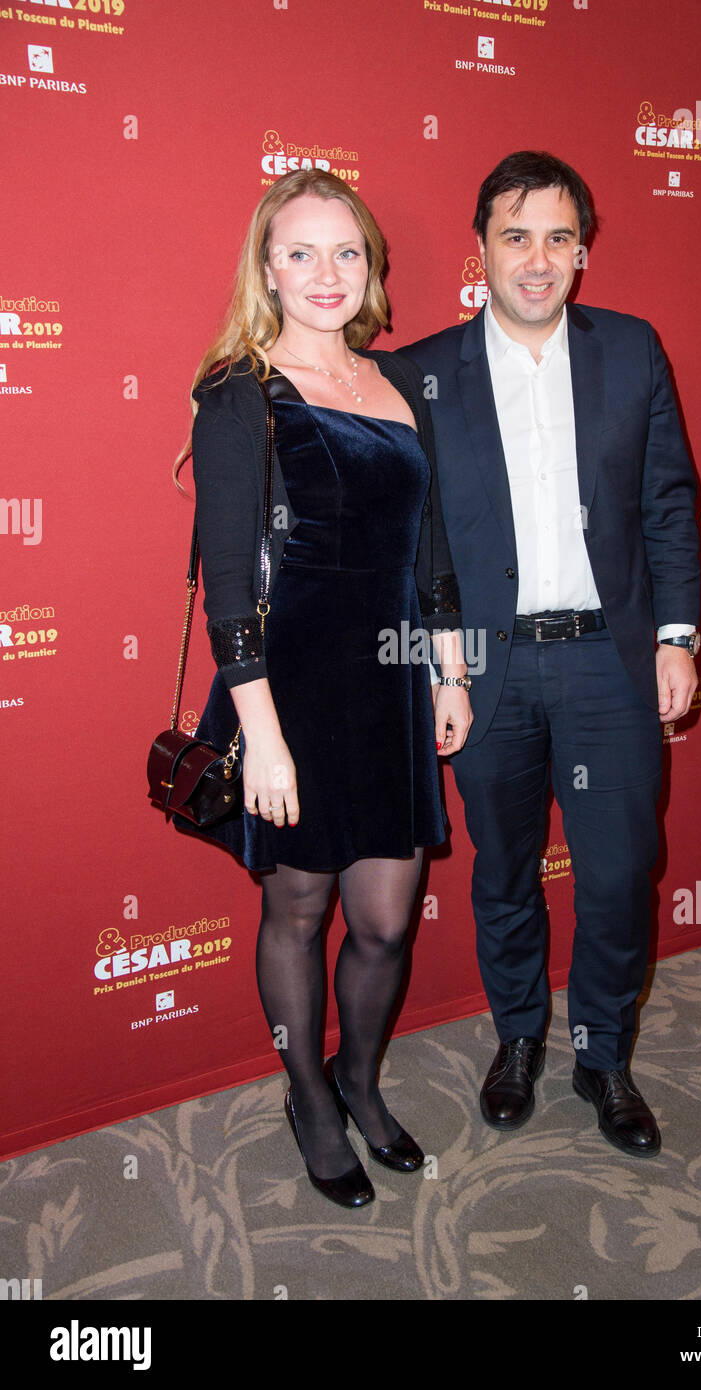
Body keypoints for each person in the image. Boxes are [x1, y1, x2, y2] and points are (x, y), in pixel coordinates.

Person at [173, 170, 472, 1208]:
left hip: (391, 682)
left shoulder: (399, 385)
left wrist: (449, 667)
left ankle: (357, 1074)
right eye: (299, 252)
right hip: (288, 687)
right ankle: (308, 1093)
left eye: (346, 251)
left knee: (387, 918)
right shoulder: (238, 390)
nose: (326, 273)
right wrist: (262, 734)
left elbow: (431, 548)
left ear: (373, 266)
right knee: (297, 909)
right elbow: (225, 583)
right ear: (266, 268)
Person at [404, 151, 701, 1157]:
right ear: (480, 248)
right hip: (485, 670)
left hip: (606, 664)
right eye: (516, 236)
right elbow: (416, 545)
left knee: (618, 875)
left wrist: (675, 636)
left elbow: (668, 501)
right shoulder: (425, 371)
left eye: (559, 237)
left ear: (583, 249)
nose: (538, 259)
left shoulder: (630, 350)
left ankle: (604, 1053)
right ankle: (520, 1038)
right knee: (506, 869)